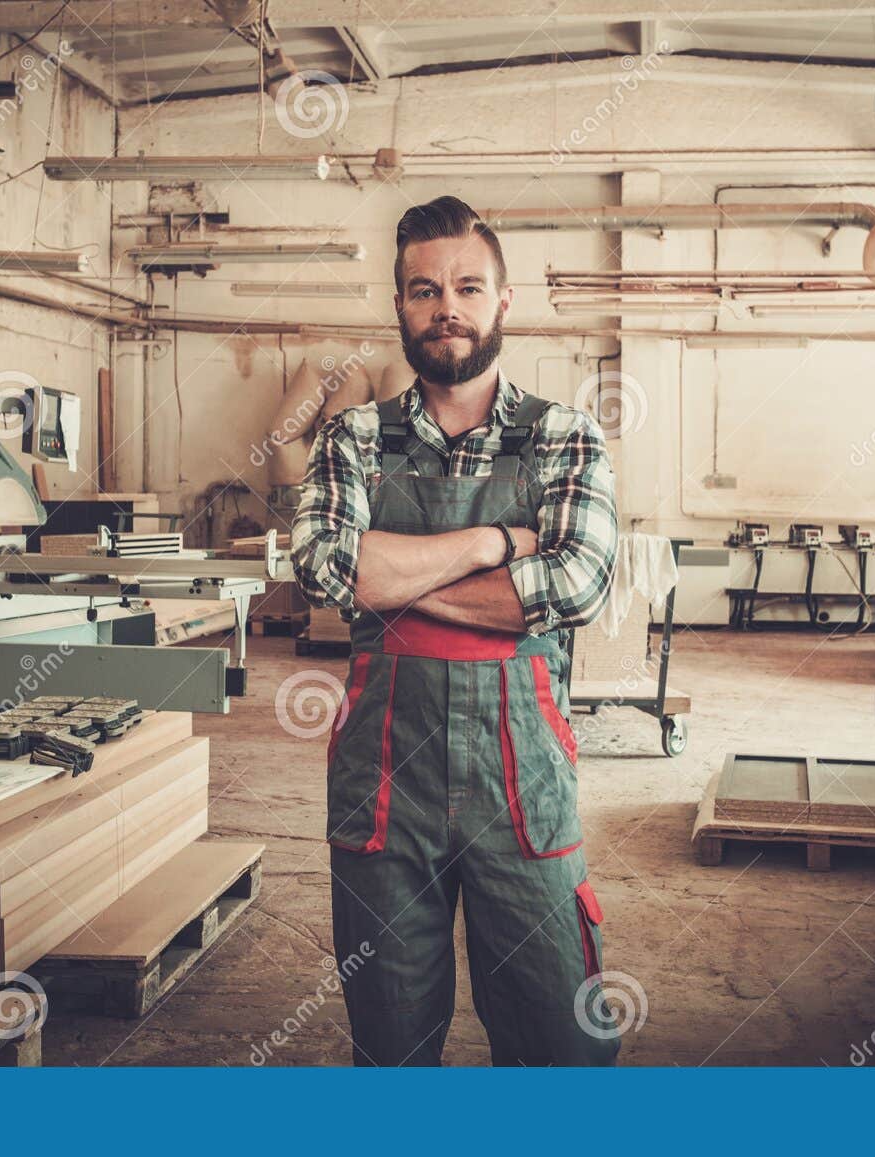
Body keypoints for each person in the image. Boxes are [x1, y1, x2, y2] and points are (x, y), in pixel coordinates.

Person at [291, 195, 620, 1066]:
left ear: (503, 299)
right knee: (391, 1043)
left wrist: (395, 579)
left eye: (469, 287)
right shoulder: (352, 438)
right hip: (383, 780)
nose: (448, 306)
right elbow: (331, 567)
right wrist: (488, 545)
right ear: (399, 304)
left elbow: (573, 586)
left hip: (522, 774)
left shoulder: (564, 437)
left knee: (559, 1037)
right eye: (425, 289)